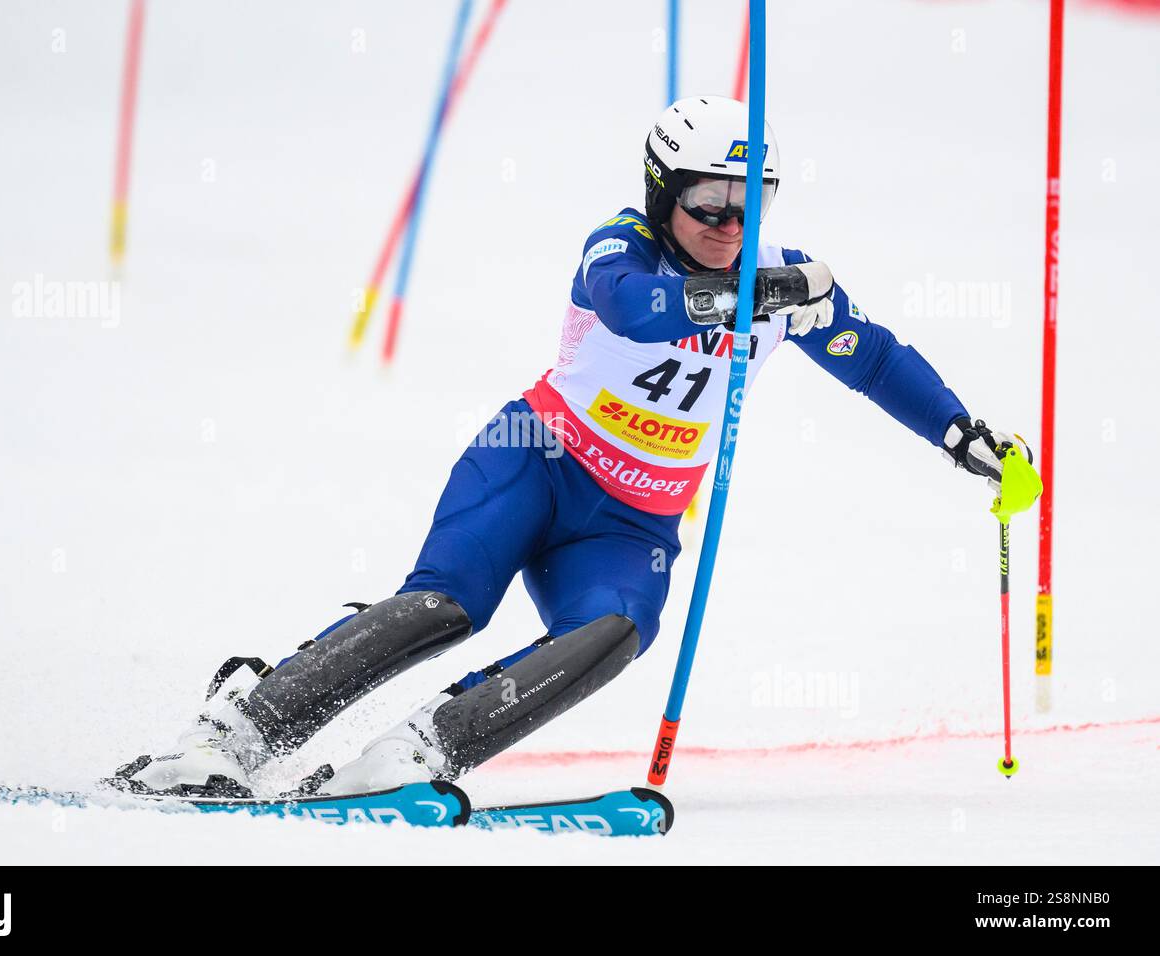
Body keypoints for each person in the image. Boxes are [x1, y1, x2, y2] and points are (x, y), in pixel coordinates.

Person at [113, 95, 1031, 799]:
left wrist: (961, 434)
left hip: (631, 522)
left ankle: (416, 752)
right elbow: (636, 309)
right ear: (662, 193)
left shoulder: (779, 284)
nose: (732, 227)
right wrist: (748, 296)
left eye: (753, 203)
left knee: (618, 629)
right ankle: (234, 735)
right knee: (444, 605)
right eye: (710, 204)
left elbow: (871, 358)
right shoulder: (620, 246)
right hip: (531, 461)